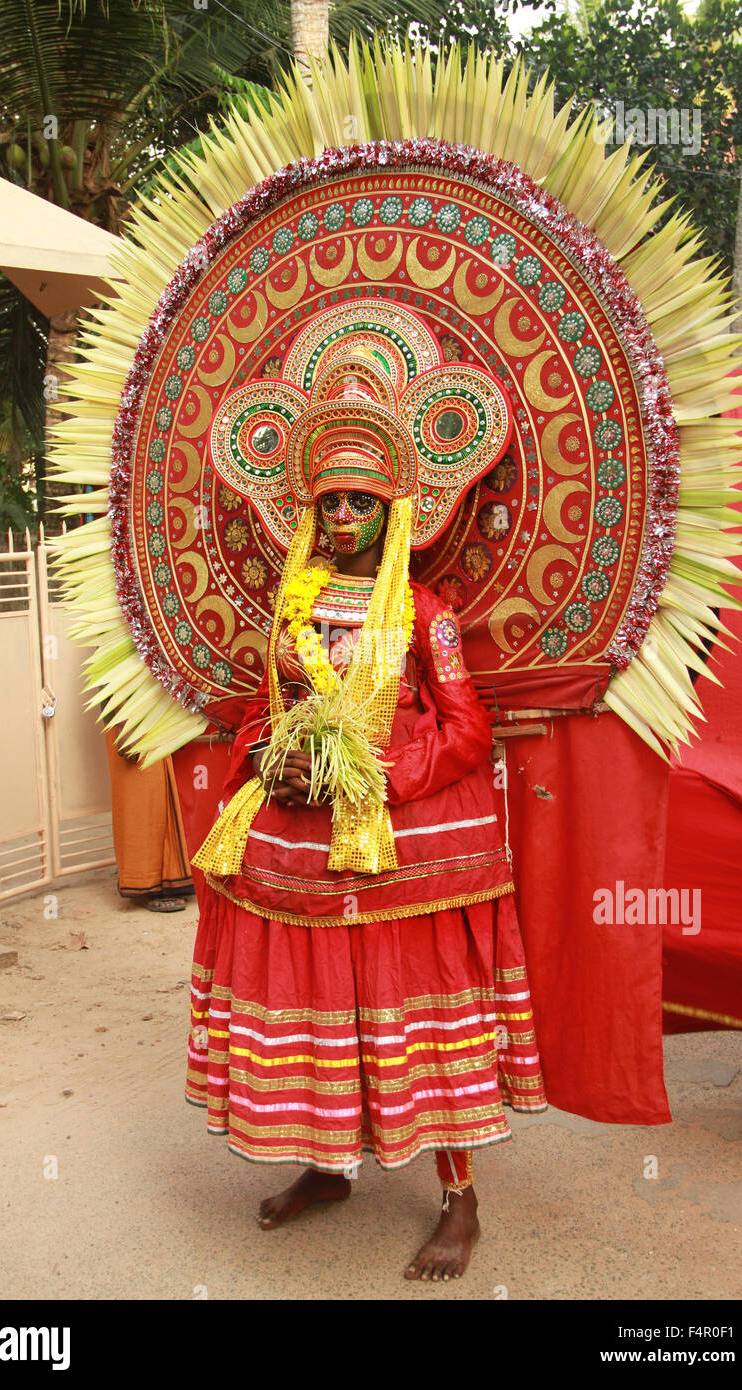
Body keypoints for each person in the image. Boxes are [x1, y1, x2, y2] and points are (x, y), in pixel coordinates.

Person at [185, 317, 547, 1278]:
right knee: (317, 1000)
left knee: (413, 1006)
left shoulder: (429, 615)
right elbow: (274, 709)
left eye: (361, 501)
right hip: (300, 835)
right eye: (330, 500)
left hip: (406, 841)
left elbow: (470, 729)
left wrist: (382, 774)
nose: (344, 515)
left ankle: (460, 1200)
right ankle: (327, 1163)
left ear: (396, 513)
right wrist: (276, 761)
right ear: (306, 510)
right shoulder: (290, 607)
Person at [104, 726, 194, 912]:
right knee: (140, 802)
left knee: (158, 800)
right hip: (131, 717)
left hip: (151, 718)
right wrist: (125, 728)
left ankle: (165, 881)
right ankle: (144, 884)